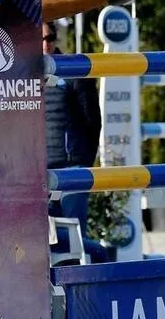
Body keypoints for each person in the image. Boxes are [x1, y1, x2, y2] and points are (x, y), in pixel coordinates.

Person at [43, 21, 108, 261]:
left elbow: (93, 121)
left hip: (73, 170)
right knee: (44, 241)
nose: (44, 45)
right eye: (39, 39)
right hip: (40, 172)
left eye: (49, 38)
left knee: (76, 238)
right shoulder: (22, 75)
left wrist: (84, 162)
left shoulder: (74, 70)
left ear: (55, 39)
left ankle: (96, 266)